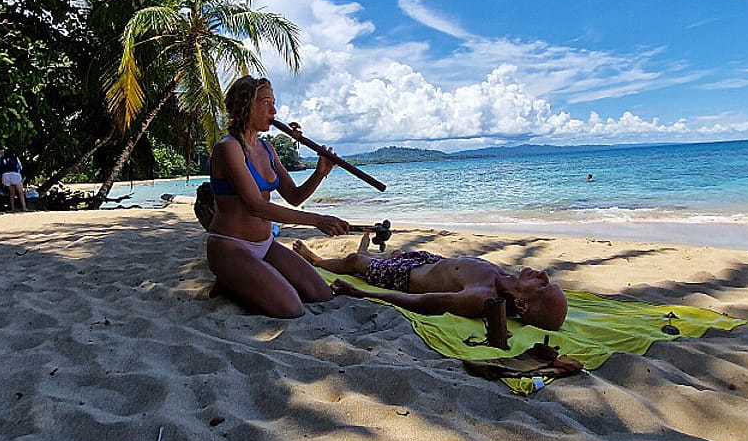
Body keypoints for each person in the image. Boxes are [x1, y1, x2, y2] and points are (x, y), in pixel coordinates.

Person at [206, 76, 350, 318]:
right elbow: (256, 206)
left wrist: (319, 173)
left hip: (265, 244)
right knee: (291, 309)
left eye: (274, 102)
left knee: (320, 294)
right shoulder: (228, 147)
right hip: (230, 247)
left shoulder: (267, 148)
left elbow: (294, 196)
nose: (273, 110)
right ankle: (229, 282)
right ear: (245, 105)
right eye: (266, 103)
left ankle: (251, 278)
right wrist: (317, 220)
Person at [292, 233, 569, 331]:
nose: (543, 275)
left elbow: (422, 302)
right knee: (397, 254)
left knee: (354, 261)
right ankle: (376, 256)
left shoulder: (483, 296)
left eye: (544, 285)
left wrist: (359, 293)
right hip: (429, 260)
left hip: (405, 276)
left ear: (520, 304)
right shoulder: (510, 279)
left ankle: (316, 260)